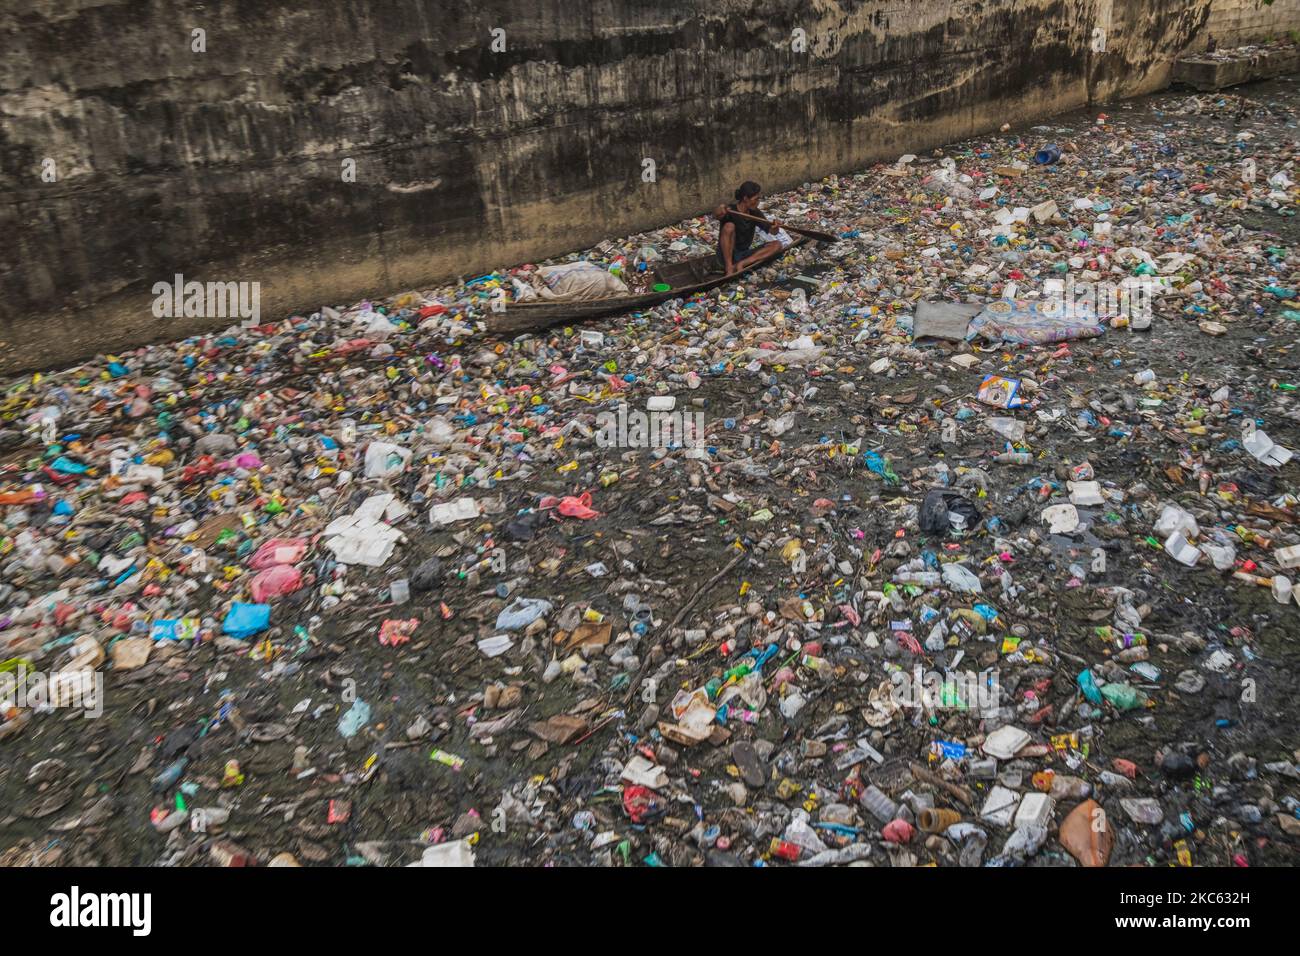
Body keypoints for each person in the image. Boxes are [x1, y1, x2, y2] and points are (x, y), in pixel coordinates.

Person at [715, 181, 787, 276]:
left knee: (777, 245)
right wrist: (720, 209)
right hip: (726, 257)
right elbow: (717, 214)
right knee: (729, 226)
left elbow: (772, 231)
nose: (758, 202)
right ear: (745, 198)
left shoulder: (754, 212)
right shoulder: (731, 211)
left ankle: (742, 264)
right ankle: (729, 267)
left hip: (743, 255)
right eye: (756, 199)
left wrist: (776, 227)